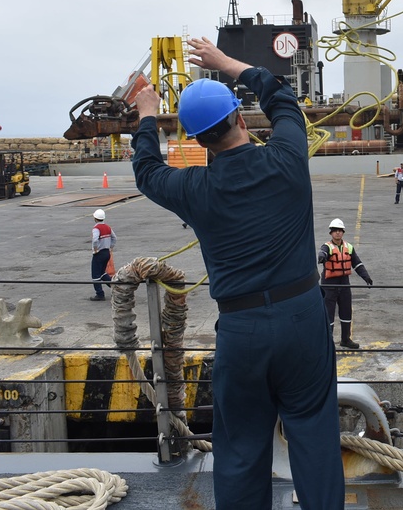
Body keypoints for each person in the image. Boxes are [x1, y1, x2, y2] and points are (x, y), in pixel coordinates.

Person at [131, 37, 344, 509]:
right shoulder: (288, 157)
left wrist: (147, 112)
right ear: (240, 117)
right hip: (303, 316)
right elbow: (281, 95)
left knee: (242, 448)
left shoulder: (192, 187)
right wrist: (226, 63)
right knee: (315, 436)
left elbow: (146, 171)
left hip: (242, 330)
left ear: (194, 138)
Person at [318, 218, 373, 349]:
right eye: (335, 231)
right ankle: (328, 341)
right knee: (328, 313)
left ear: (343, 232)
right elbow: (323, 252)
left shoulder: (349, 247)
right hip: (329, 285)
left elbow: (357, 264)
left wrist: (366, 277)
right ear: (331, 233)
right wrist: (321, 256)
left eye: (340, 231)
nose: (337, 233)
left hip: (344, 285)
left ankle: (345, 339)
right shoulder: (327, 247)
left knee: (346, 312)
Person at [90, 208, 116, 301]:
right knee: (102, 273)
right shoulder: (108, 227)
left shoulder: (96, 228)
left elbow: (95, 239)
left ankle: (99, 294)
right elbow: (114, 238)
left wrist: (95, 249)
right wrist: (111, 247)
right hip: (106, 253)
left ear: (95, 218)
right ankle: (115, 288)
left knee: (95, 275)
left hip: (99, 253)